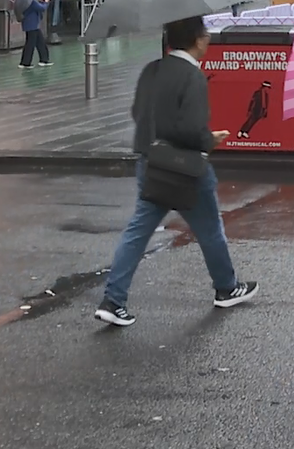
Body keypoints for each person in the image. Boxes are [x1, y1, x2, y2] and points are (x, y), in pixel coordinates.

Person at [95, 17, 258, 327]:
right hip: (186, 169)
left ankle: (113, 299)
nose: (208, 39)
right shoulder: (193, 77)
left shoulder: (151, 70)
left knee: (137, 232)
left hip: (150, 163)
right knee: (210, 228)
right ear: (197, 40)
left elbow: (136, 113)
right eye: (205, 34)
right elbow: (192, 129)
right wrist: (211, 139)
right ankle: (226, 287)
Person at [19, 0, 52, 69]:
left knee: (40, 42)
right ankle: (25, 62)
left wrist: (40, 2)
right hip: (32, 26)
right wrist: (46, 2)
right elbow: (42, 8)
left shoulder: (26, 2)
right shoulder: (31, 2)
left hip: (32, 25)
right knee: (30, 44)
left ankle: (44, 59)